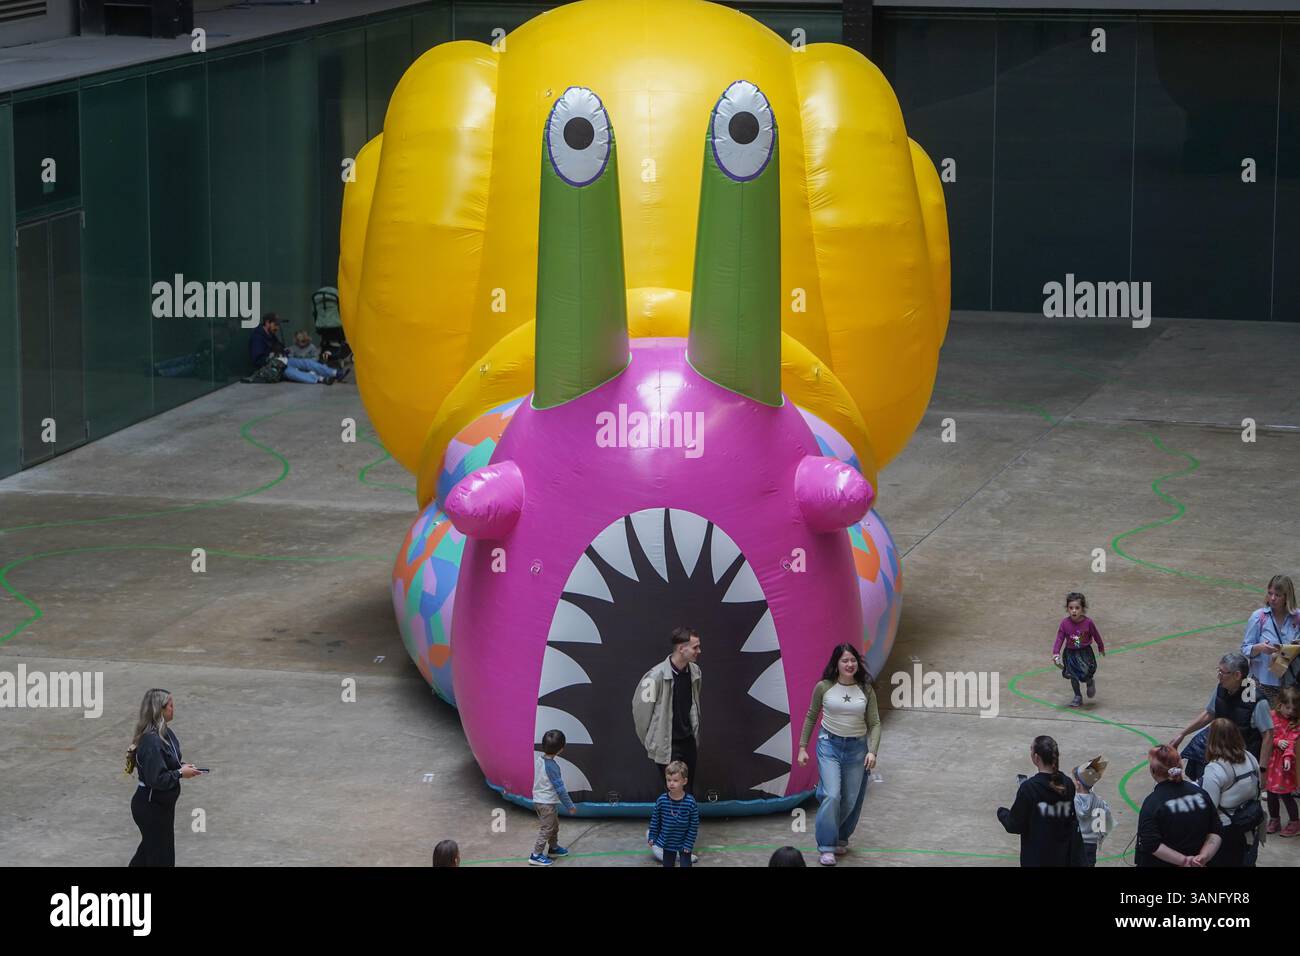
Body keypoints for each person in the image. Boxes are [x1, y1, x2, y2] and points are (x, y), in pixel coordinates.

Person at [796, 643, 881, 866]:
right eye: (845, 660)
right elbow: (811, 716)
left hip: (857, 748)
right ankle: (826, 846)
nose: (850, 664)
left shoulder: (865, 689)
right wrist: (803, 747)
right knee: (832, 795)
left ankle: (841, 837)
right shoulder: (823, 687)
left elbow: (875, 723)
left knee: (851, 798)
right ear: (836, 664)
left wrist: (872, 751)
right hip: (829, 746)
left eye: (853, 660)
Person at [124, 689, 202, 867]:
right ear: (160, 710)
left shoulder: (165, 733)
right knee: (161, 858)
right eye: (171, 706)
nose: (173, 709)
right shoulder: (152, 741)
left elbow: (169, 762)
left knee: (149, 852)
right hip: (152, 807)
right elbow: (156, 779)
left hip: (162, 806)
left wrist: (183, 767)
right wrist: (180, 773)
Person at [1171, 652, 1273, 781]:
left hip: (1241, 757)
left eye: (1223, 672)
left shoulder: (1257, 701)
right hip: (1220, 749)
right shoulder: (1221, 688)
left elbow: (1268, 735)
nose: (1218, 676)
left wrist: (1262, 769)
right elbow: (1209, 713)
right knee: (1197, 758)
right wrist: (1183, 733)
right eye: (1218, 671)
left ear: (1237, 675)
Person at [996, 735, 1085, 866]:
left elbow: (1014, 825)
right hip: (1063, 858)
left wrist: (1002, 813)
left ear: (1036, 758)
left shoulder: (1029, 789)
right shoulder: (1068, 784)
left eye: (1031, 749)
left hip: (1037, 858)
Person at [633, 627, 701, 795]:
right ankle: (672, 822)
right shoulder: (654, 676)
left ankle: (687, 822)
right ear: (681, 649)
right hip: (666, 745)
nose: (699, 651)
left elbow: (693, 704)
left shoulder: (695, 672)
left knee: (688, 789)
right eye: (695, 647)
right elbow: (640, 714)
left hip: (688, 741)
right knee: (672, 791)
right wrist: (651, 742)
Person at [1135, 745, 1221, 867]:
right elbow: (1215, 831)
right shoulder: (1201, 794)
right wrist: (1203, 856)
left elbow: (1151, 844)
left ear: (1153, 770)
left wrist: (1184, 861)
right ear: (1179, 766)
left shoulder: (1153, 803)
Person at [1199, 719, 1264, 866]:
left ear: (1212, 739)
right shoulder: (1250, 756)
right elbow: (1259, 786)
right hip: (1251, 822)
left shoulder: (1214, 769)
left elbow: (1209, 808)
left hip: (1227, 831)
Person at [1241, 575, 1300, 705]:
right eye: (1270, 593)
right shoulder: (1259, 617)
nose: (1272, 598)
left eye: (1278, 595)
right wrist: (1260, 648)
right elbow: (1245, 649)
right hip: (1263, 683)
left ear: (1287, 597)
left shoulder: (1297, 618)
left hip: (1290, 684)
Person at [248, 313, 347, 385]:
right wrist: (273, 359)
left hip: (283, 360)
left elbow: (280, 348)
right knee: (290, 372)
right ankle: (321, 379)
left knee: (306, 363)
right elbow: (257, 360)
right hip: (271, 367)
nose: (277, 327)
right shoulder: (258, 337)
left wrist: (283, 353)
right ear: (267, 323)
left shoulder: (271, 334)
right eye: (275, 324)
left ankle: (335, 373)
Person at [529, 729, 577, 866]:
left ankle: (553, 848)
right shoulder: (552, 767)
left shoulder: (540, 760)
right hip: (546, 803)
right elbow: (560, 789)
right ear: (561, 749)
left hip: (541, 800)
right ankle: (536, 855)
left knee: (554, 826)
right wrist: (570, 806)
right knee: (547, 828)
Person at [1051, 591, 1106, 708]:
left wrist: (1101, 647)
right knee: (1072, 675)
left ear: (1083, 609)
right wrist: (1056, 653)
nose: (1074, 611)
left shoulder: (1088, 622)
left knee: (1085, 673)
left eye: (1077, 608)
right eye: (1071, 608)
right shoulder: (1065, 623)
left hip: (1085, 653)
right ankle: (1077, 696)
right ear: (1067, 609)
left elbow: (1096, 635)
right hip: (1070, 654)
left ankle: (1089, 681)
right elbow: (1059, 638)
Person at [1260, 686, 1300, 836]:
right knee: (1270, 793)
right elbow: (1266, 735)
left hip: (1284, 766)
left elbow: (1293, 741)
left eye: (1294, 709)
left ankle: (1295, 822)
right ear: (1280, 704)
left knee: (1285, 794)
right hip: (1271, 762)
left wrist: (1288, 756)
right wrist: (1276, 742)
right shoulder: (1271, 717)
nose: (1290, 712)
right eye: (1287, 707)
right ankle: (1274, 819)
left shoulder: (1295, 723)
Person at [647, 761, 698, 868]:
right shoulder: (661, 800)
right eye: (669, 780)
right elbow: (655, 820)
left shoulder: (690, 802)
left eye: (675, 780)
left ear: (684, 781)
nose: (671, 783)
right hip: (668, 841)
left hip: (684, 842)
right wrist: (652, 836)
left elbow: (693, 825)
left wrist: (688, 843)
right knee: (668, 864)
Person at [1072, 756, 1114, 867]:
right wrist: (1099, 837)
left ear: (1078, 784)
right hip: (1091, 845)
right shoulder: (1099, 802)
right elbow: (1108, 822)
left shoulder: (1072, 800)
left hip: (1075, 843)